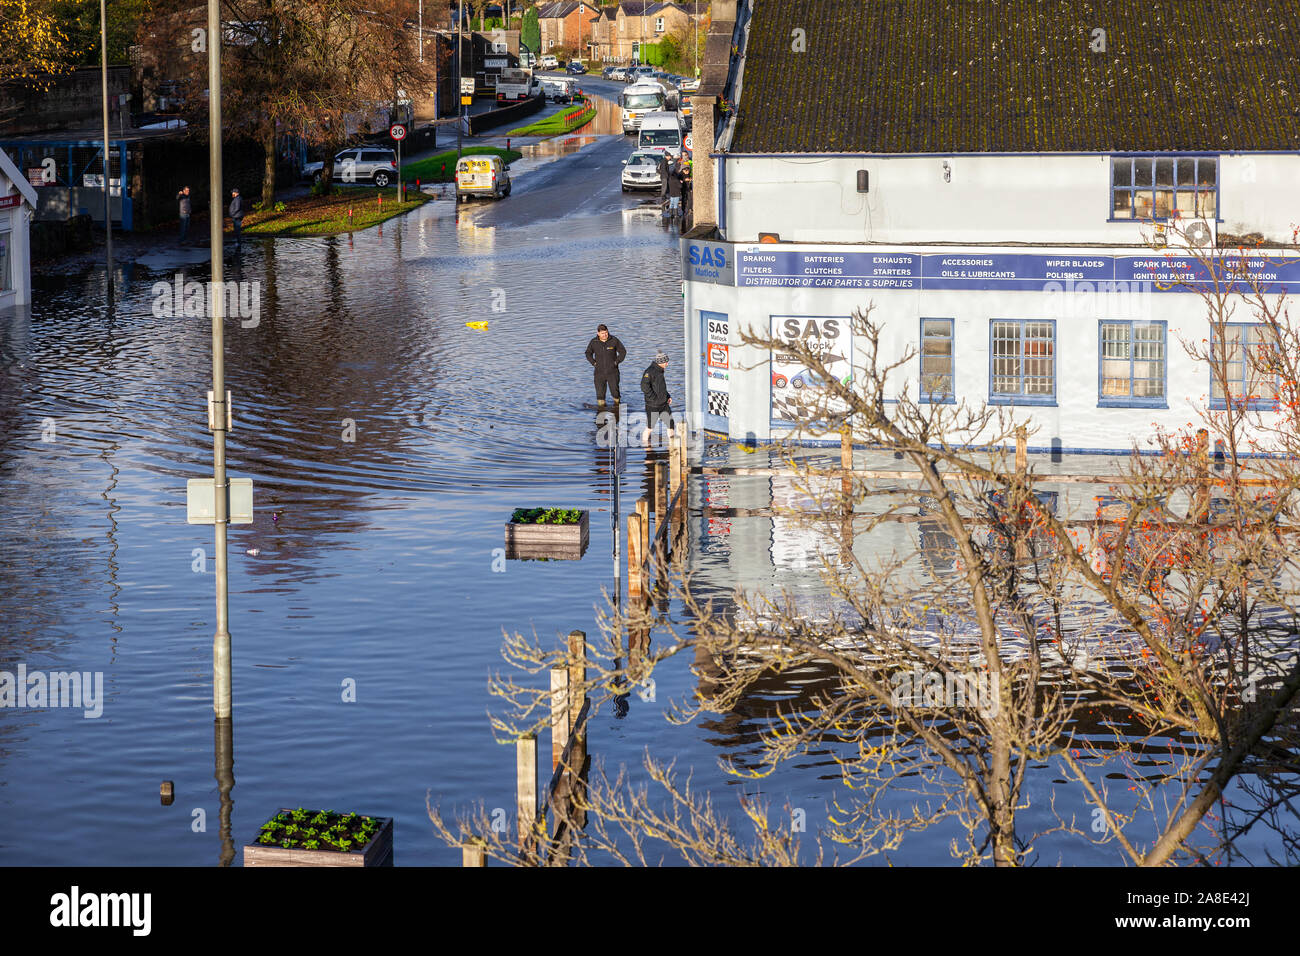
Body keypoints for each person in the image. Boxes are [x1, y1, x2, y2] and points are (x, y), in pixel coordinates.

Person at [585, 323, 626, 407]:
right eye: (603, 333)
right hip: (599, 373)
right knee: (600, 396)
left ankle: (617, 408)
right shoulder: (594, 342)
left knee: (615, 393)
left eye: (606, 332)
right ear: (598, 333)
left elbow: (623, 352)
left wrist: (616, 362)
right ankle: (601, 411)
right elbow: (588, 353)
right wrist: (593, 362)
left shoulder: (614, 340)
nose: (605, 335)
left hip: (613, 372)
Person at [641, 350, 673, 445]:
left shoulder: (660, 371)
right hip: (653, 405)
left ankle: (672, 447)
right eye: (666, 362)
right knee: (650, 428)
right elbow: (644, 387)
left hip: (663, 404)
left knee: (671, 424)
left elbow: (660, 387)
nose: (667, 364)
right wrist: (654, 399)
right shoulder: (649, 372)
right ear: (660, 362)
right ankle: (646, 448)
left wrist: (668, 396)